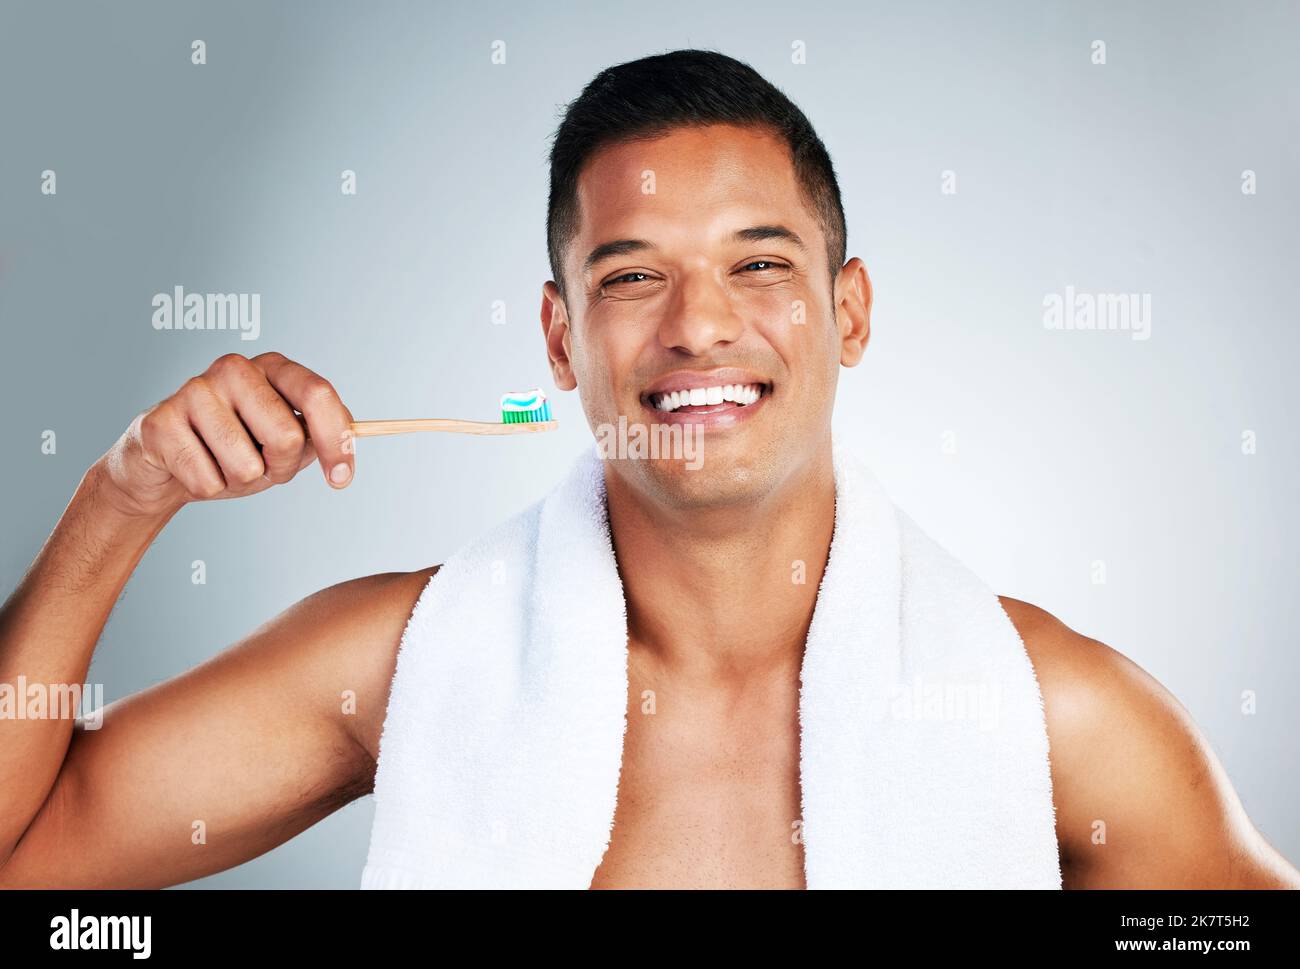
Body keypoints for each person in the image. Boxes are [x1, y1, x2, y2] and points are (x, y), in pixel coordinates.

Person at [1, 50, 1295, 889]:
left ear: (849, 314)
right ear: (562, 340)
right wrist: (124, 498)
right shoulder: (401, 663)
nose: (698, 325)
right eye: (632, 277)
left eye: (759, 263)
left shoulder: (1054, 714)